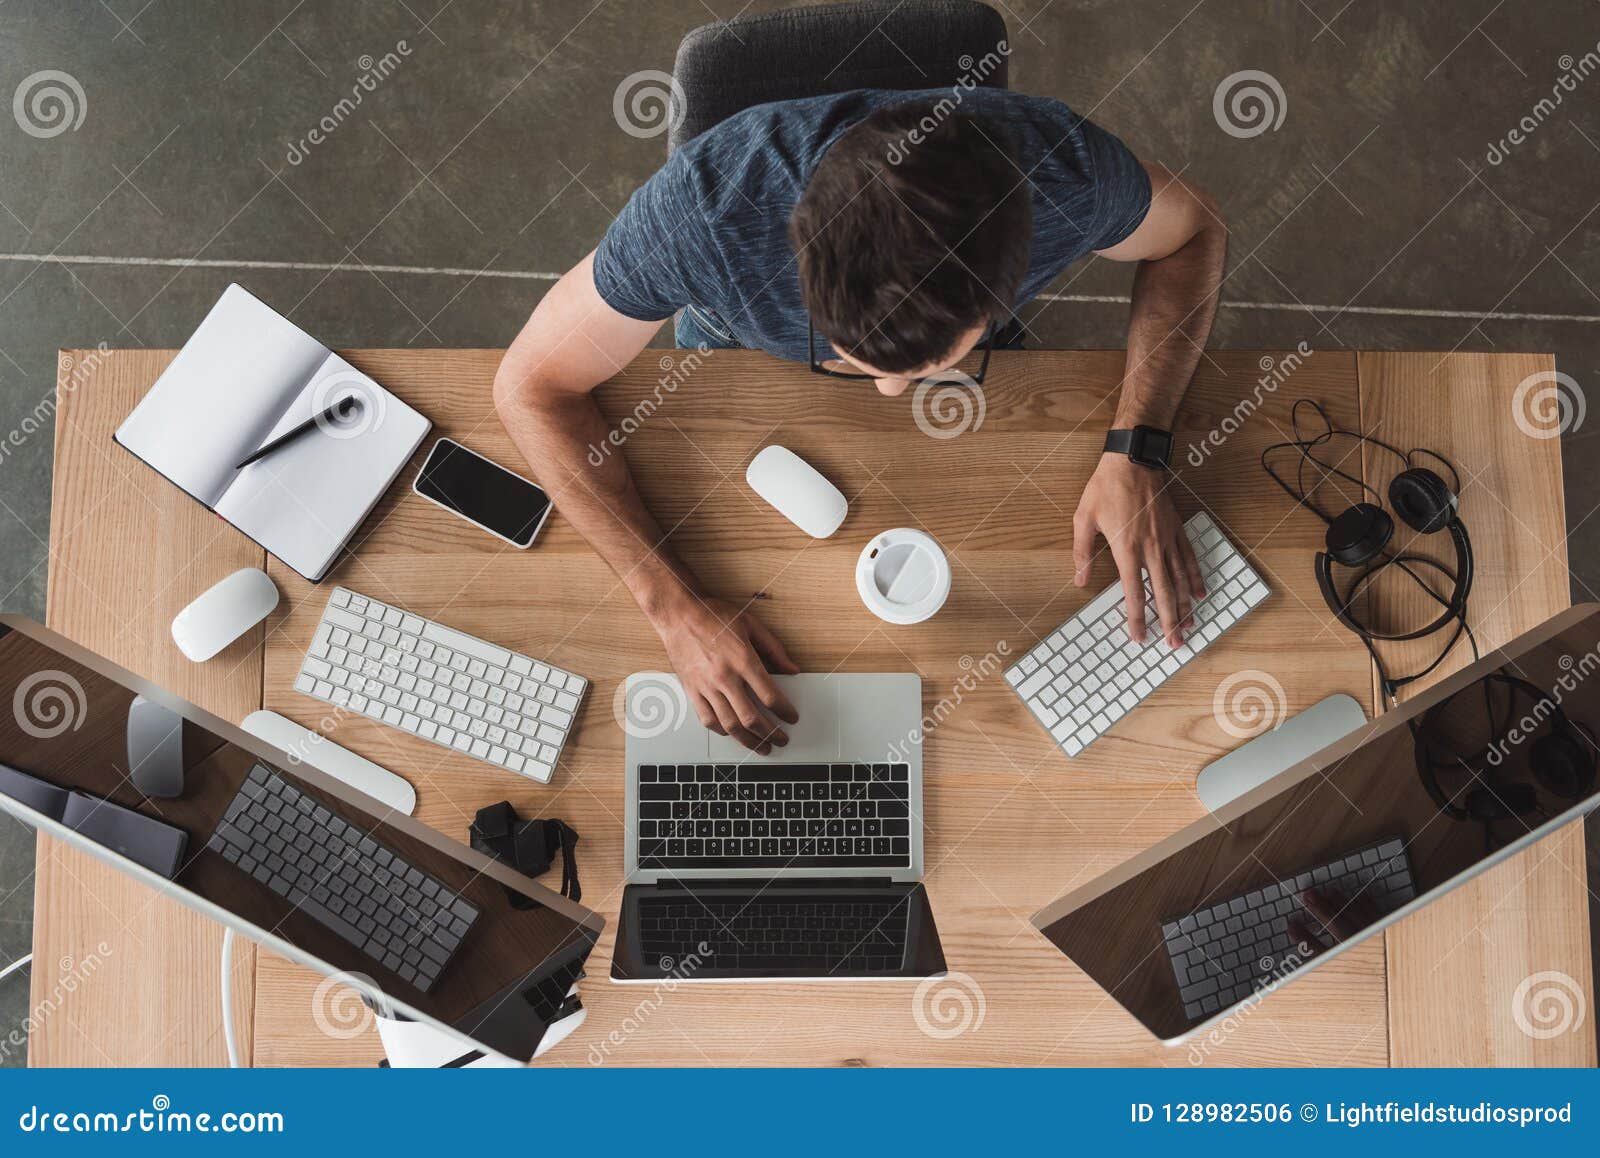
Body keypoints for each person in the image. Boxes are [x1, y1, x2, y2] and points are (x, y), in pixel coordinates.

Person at [494, 89, 1227, 754]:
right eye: (855, 355)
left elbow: (1194, 232)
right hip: (735, 363)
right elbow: (530, 388)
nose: (889, 392)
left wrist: (1138, 447)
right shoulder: (703, 217)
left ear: (1004, 286)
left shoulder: (1066, 175)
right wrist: (671, 607)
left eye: (926, 365)